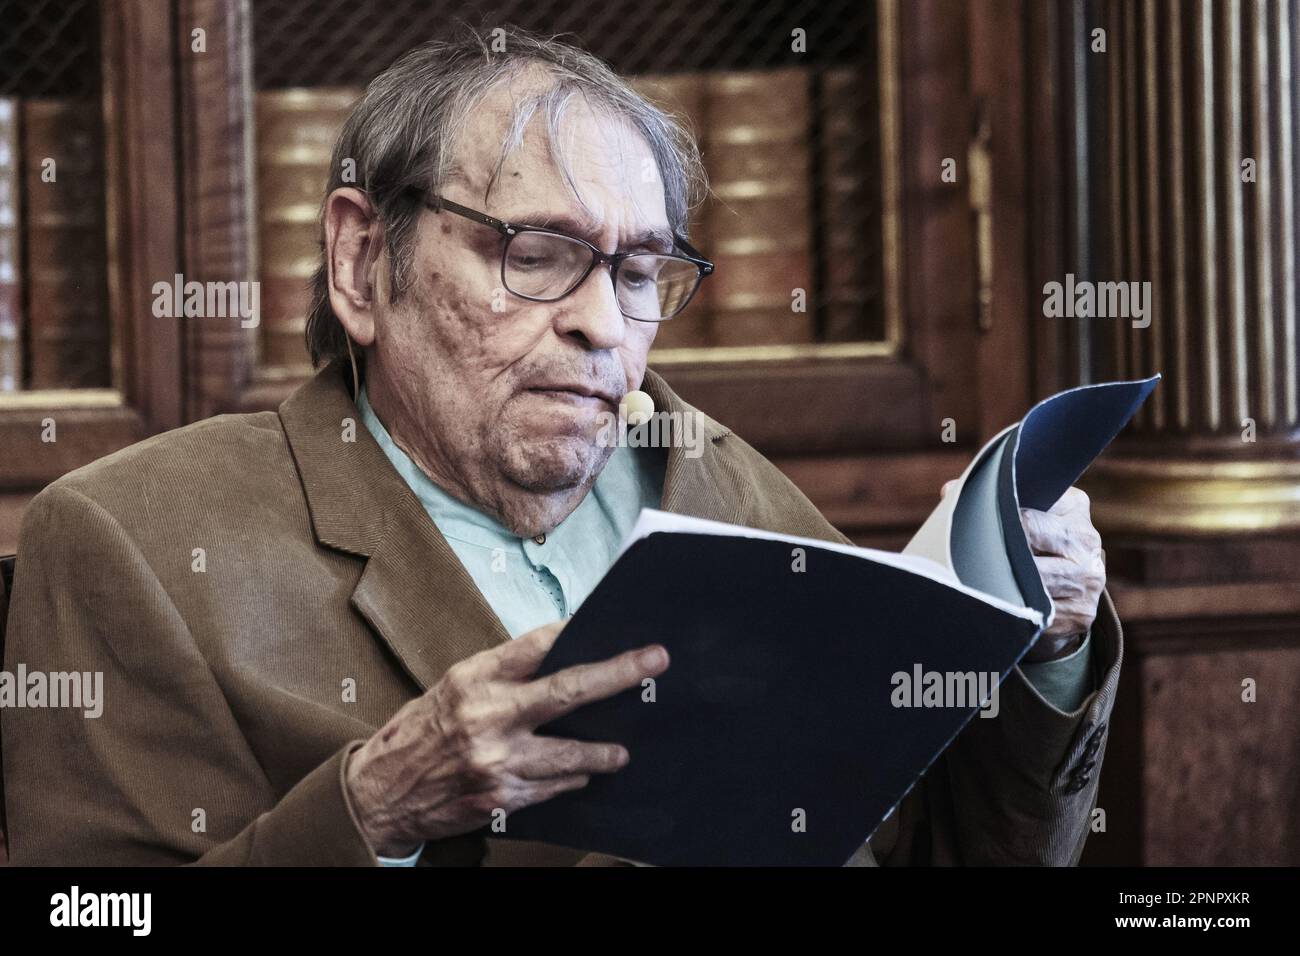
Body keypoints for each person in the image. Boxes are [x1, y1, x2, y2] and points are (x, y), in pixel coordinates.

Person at [1, 26, 1114, 866]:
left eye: (637, 274)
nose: (600, 323)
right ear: (359, 262)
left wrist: (1041, 651)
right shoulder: (132, 539)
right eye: (536, 253)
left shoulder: (712, 473)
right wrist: (375, 804)